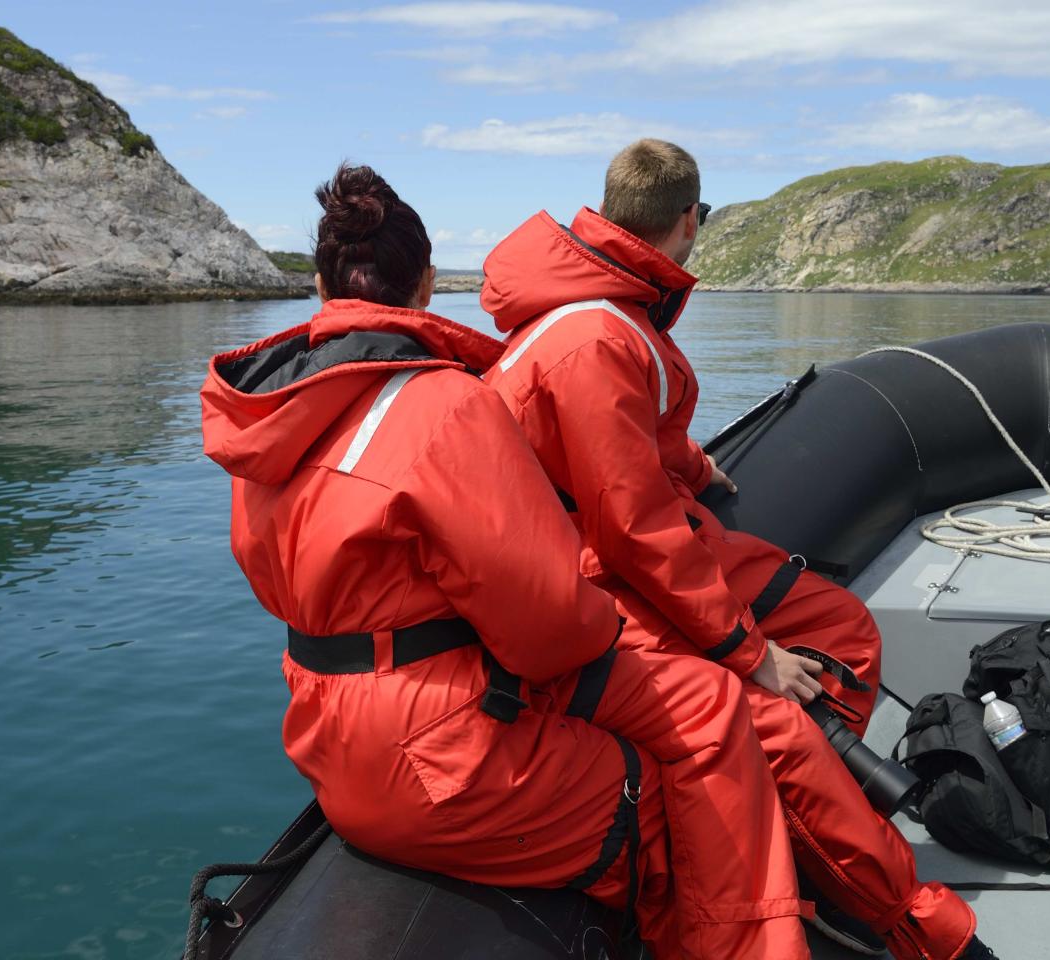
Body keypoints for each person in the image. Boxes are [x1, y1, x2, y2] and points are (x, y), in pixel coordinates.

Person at [200, 163, 811, 959]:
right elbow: (551, 624)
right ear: (426, 285)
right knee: (691, 802)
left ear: (320, 287)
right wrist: (612, 627)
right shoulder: (447, 405)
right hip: (445, 762)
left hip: (324, 743)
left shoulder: (266, 421)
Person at [480, 140, 991, 960]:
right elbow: (631, 527)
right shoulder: (594, 338)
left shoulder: (609, 311)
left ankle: (801, 830)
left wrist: (691, 464)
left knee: (841, 629)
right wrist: (751, 655)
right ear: (690, 219)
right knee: (774, 722)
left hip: (618, 549)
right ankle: (886, 905)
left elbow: (633, 441)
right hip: (586, 578)